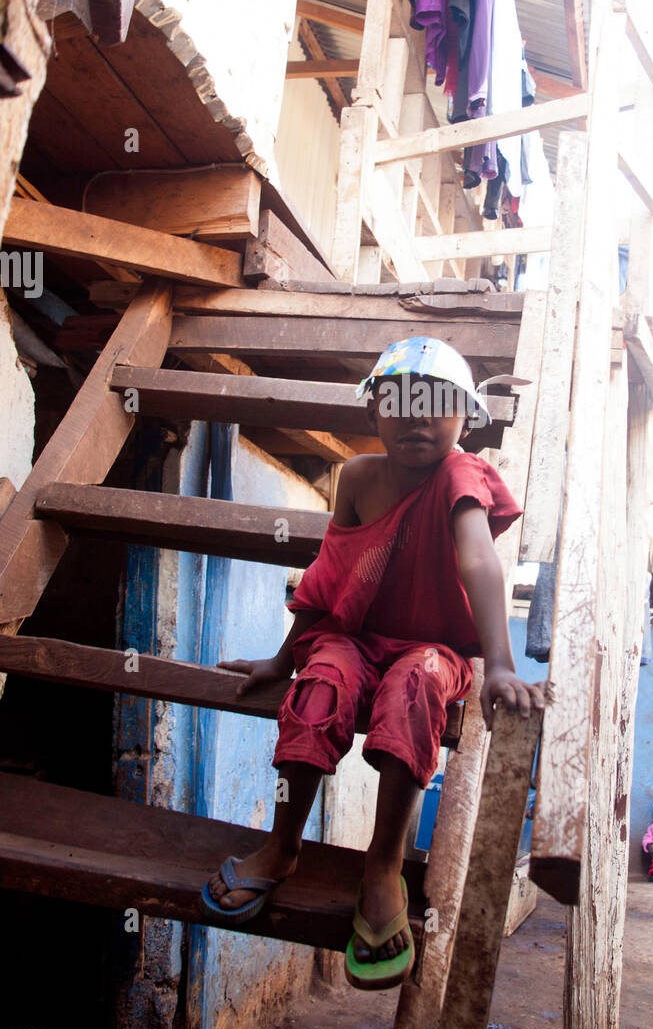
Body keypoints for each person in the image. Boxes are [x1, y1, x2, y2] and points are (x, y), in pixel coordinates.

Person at [199, 336, 546, 990]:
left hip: (431, 650)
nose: (418, 417)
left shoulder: (461, 475)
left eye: (436, 404)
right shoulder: (357, 478)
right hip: (355, 640)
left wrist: (499, 663)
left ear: (465, 419)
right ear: (372, 415)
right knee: (317, 686)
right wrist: (281, 658)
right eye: (400, 402)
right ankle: (283, 844)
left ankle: (383, 864)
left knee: (415, 688)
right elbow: (332, 575)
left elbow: (478, 558)